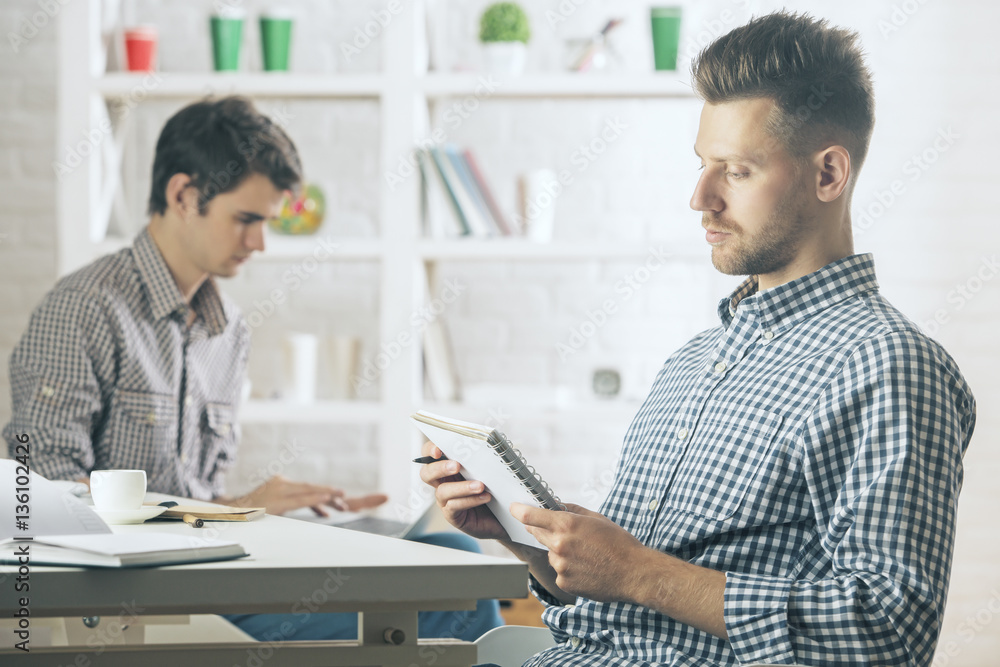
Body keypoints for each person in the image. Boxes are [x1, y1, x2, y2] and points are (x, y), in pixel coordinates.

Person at [421, 12, 975, 667]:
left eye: (735, 170)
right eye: (702, 165)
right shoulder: (693, 362)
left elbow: (887, 630)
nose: (700, 197)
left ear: (828, 174)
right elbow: (625, 605)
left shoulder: (887, 365)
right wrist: (533, 544)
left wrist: (636, 570)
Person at [3, 95, 501, 641]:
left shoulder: (229, 329)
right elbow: (43, 504)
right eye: (246, 219)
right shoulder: (82, 309)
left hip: (216, 567)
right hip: (144, 597)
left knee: (454, 551)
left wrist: (274, 517)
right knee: (458, 599)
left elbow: (199, 503)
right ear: (183, 195)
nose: (260, 243)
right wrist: (238, 509)